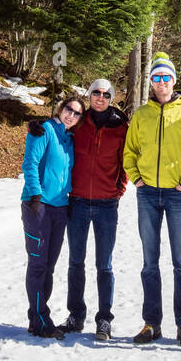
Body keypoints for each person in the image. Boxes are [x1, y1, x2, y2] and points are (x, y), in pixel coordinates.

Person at [122, 53, 181, 346]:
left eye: (165, 77)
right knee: (149, 262)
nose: (161, 83)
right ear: (151, 82)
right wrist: (137, 178)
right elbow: (129, 151)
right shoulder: (141, 115)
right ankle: (151, 324)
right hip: (147, 194)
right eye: (156, 78)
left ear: (174, 80)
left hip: (177, 196)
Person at [60, 78, 128, 344]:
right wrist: (38, 128)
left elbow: (126, 160)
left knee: (105, 264)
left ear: (111, 98)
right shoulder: (79, 122)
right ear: (89, 96)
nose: (100, 97)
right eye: (96, 93)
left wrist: (118, 189)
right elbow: (58, 130)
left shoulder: (120, 127)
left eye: (106, 94)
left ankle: (104, 319)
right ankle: (76, 315)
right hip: (76, 202)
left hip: (106, 204)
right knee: (76, 262)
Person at [20, 96, 85, 338]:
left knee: (49, 266)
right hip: (38, 205)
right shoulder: (45, 129)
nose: (71, 115)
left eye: (77, 113)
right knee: (37, 265)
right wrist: (35, 195)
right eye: (69, 109)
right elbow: (30, 162)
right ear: (61, 108)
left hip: (60, 208)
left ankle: (37, 317)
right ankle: (40, 320)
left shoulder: (68, 138)